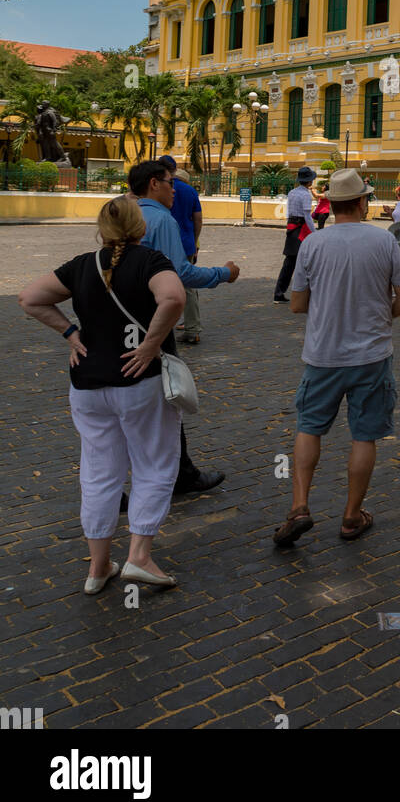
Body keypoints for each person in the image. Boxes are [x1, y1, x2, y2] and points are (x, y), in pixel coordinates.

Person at [18, 195, 187, 590]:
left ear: (103, 228)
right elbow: (174, 298)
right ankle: (139, 556)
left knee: (98, 473)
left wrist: (70, 332)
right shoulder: (151, 262)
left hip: (88, 384)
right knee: (154, 465)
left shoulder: (81, 265)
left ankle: (98, 567)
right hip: (137, 382)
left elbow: (29, 298)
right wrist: (151, 345)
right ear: (140, 227)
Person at [272, 169, 400, 547]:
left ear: (331, 205)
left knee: (309, 426)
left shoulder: (313, 244)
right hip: (371, 355)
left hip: (323, 355)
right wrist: (381, 318)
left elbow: (297, 304)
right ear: (363, 202)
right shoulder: (383, 241)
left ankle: (300, 506)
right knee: (365, 435)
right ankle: (352, 516)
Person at [128, 160, 239, 496]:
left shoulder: (119, 210)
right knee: (167, 397)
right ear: (153, 183)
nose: (174, 189)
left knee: (121, 399)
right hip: (153, 318)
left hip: (117, 317)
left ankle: (116, 479)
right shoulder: (161, 218)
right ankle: (180, 474)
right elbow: (180, 274)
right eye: (169, 182)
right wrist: (224, 273)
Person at [157, 156, 203, 344]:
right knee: (188, 285)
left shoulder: (157, 189)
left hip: (162, 242)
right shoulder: (190, 190)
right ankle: (193, 329)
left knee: (158, 282)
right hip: (186, 243)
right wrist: (194, 239)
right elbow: (198, 219)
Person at [274, 166, 316, 302]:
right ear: (309, 181)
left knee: (290, 262)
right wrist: (314, 232)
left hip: (292, 227)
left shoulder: (292, 192)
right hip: (301, 229)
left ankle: (279, 292)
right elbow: (307, 215)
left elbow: (288, 212)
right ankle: (303, 293)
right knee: (302, 261)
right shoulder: (305, 195)